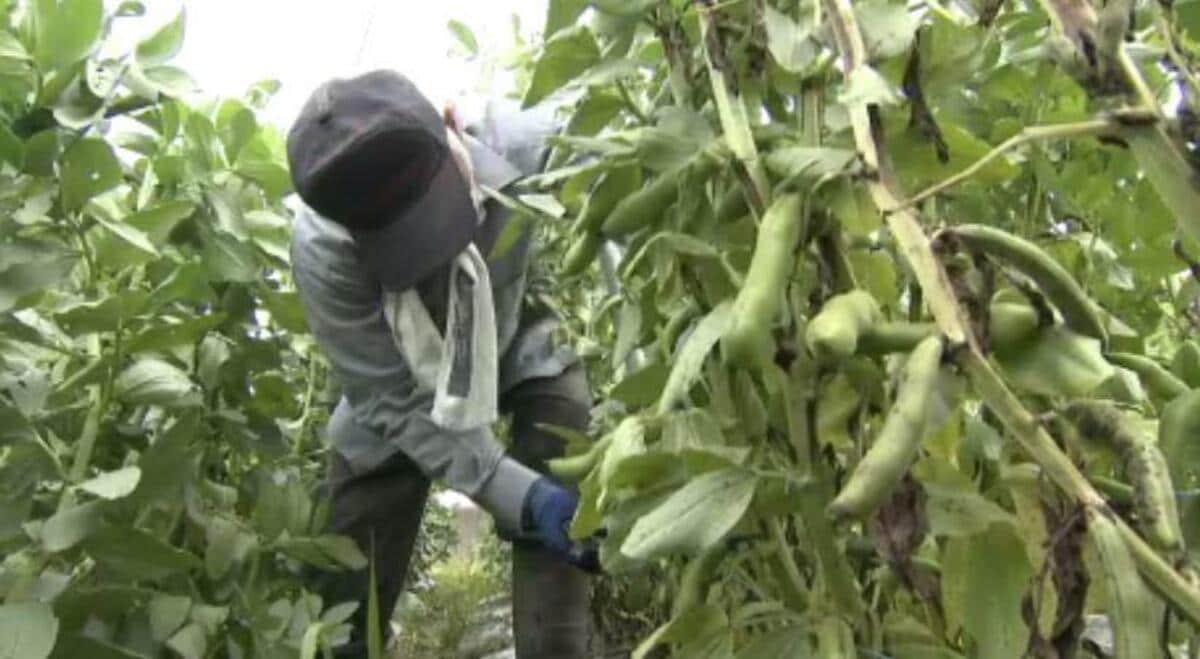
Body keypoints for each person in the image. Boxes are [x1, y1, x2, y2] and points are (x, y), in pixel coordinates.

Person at [286, 69, 599, 658]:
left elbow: (621, 208)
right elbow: (388, 398)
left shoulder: (533, 142)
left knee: (562, 429)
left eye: (439, 211)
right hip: (407, 376)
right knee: (348, 571)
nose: (436, 248)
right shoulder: (323, 251)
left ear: (452, 121)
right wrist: (514, 493)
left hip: (513, 330)